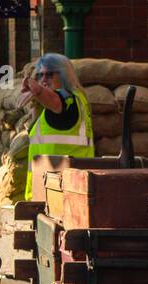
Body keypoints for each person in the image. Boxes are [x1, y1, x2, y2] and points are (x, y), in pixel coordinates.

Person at [19, 53, 94, 200]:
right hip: (62, 190)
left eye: (49, 75)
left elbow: (55, 100)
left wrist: (37, 90)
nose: (43, 80)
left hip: (61, 192)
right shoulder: (78, 99)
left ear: (64, 74)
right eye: (40, 76)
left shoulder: (68, 100)